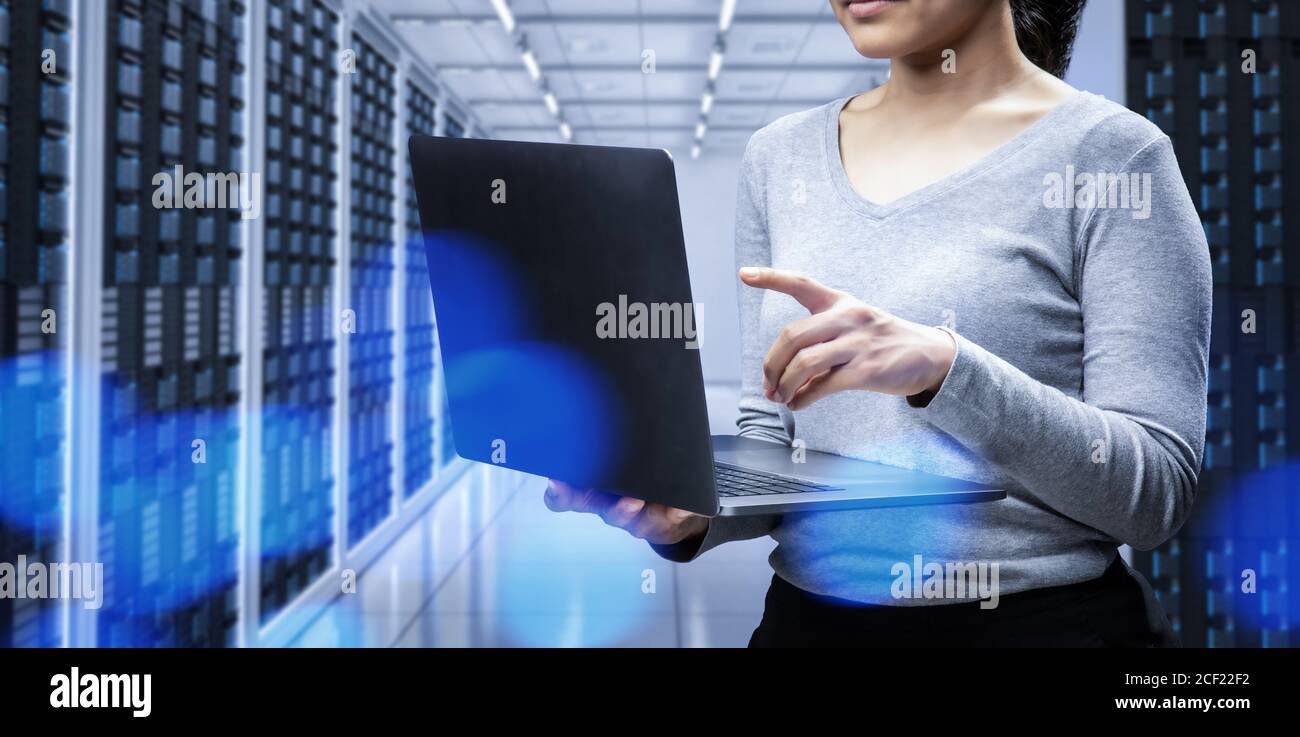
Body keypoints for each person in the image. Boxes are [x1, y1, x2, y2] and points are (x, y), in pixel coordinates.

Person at [546, 0, 1210, 647]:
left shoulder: (1114, 158)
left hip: (1040, 626)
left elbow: (1154, 494)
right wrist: (693, 509)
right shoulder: (779, 158)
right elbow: (770, 434)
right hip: (808, 625)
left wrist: (946, 369)